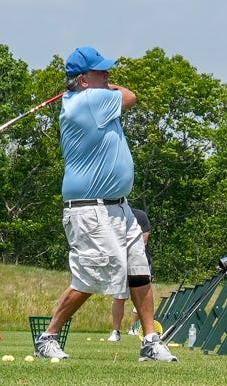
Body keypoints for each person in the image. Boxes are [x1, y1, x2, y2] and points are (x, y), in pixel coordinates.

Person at [32, 46, 174, 363]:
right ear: (83, 80)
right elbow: (130, 96)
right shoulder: (89, 102)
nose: (108, 75)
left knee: (139, 271)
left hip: (119, 208)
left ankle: (150, 341)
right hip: (91, 210)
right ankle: (48, 337)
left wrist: (100, 85)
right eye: (101, 72)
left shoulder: (88, 99)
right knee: (91, 276)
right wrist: (107, 88)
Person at [107, 206, 150, 341]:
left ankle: (137, 328)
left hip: (139, 261)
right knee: (119, 297)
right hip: (120, 263)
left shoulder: (140, 215)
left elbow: (144, 240)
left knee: (141, 297)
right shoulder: (115, 216)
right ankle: (115, 331)